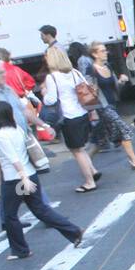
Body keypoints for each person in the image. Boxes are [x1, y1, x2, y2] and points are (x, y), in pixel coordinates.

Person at [0, 100, 83, 260]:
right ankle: (74, 231)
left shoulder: (1, 135)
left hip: (15, 180)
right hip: (30, 175)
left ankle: (20, 250)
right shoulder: (16, 128)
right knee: (40, 209)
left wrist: (22, 178)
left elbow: (13, 158)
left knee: (10, 215)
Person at [41, 49, 102, 193]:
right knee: (81, 148)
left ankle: (89, 181)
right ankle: (93, 170)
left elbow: (51, 100)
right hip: (82, 113)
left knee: (76, 150)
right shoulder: (75, 72)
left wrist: (44, 93)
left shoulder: (52, 77)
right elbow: (87, 90)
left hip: (68, 117)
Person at [83, 42, 135, 170]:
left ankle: (85, 164)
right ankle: (134, 160)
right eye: (102, 51)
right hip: (103, 107)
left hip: (112, 105)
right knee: (124, 130)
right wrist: (92, 110)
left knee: (99, 140)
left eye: (105, 50)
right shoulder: (91, 70)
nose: (106, 53)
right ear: (94, 54)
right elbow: (90, 90)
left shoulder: (108, 67)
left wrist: (121, 80)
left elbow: (115, 87)